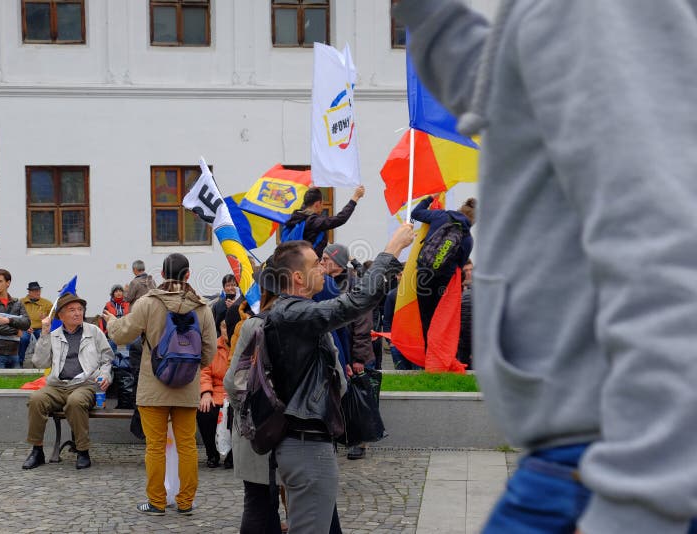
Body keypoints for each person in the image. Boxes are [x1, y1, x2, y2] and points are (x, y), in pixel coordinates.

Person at [395, 1, 697, 532]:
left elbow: (655, 235)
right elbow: (505, 95)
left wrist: (644, 496)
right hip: (585, 445)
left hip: (605, 457)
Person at [266, 224, 415, 532]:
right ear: (298, 278)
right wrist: (392, 249)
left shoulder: (295, 311)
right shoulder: (292, 315)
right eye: (315, 264)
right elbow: (353, 303)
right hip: (306, 445)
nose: (323, 268)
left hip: (308, 442)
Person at [105, 253, 217, 517]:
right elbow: (209, 352)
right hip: (186, 387)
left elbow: (122, 334)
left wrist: (111, 322)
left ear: (163, 275)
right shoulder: (202, 307)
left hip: (153, 385)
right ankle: (186, 502)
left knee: (155, 446)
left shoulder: (148, 302)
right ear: (188, 275)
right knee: (187, 445)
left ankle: (157, 502)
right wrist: (190, 367)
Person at [22, 293, 113, 471]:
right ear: (61, 316)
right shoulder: (53, 335)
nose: (77, 313)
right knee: (36, 399)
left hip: (85, 384)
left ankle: (82, 450)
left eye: (80, 309)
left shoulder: (93, 331)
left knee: (75, 401)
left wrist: (105, 376)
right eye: (72, 310)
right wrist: (44, 334)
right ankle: (37, 450)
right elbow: (40, 362)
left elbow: (107, 358)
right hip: (58, 385)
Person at [224, 262, 283, 534]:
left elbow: (234, 383)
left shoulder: (255, 325)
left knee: (259, 504)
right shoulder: (313, 320)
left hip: (260, 428)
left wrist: (250, 412)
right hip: (303, 432)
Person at [318, 243, 375, 461]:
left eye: (326, 259)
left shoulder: (355, 285)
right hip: (340, 351)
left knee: (358, 400)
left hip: (356, 351)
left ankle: (360, 441)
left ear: (339, 262)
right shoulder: (324, 283)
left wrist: (358, 358)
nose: (321, 262)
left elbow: (362, 324)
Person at [411, 196, 475, 352]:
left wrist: (430, 198)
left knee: (425, 317)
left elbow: (416, 213)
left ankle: (427, 353)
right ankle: (439, 353)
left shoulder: (441, 215)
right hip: (443, 282)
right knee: (441, 319)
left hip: (424, 275)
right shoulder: (467, 238)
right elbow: (460, 264)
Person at [282, 185, 365, 257]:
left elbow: (307, 204)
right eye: (322, 204)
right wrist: (355, 197)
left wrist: (311, 191)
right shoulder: (313, 222)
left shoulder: (297, 217)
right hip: (309, 264)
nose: (322, 207)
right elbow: (340, 219)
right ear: (317, 204)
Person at [197, 320, 232, 469]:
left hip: (235, 394)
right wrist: (206, 392)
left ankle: (232, 455)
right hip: (215, 391)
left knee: (236, 414)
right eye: (223, 326)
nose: (226, 330)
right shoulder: (213, 347)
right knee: (205, 411)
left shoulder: (243, 346)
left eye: (229, 326)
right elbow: (204, 371)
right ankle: (212, 453)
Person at [0, 269, 30, 369]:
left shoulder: (17, 303)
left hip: (14, 353)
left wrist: (9, 320)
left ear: (8, 283)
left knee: (17, 380)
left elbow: (27, 323)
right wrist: (16, 331)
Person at [19, 281, 52, 367]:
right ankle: (20, 361)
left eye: (39, 290)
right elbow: (17, 316)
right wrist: (24, 326)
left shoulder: (47, 303)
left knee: (44, 340)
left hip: (41, 328)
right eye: (35, 291)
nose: (38, 292)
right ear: (29, 292)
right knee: (23, 338)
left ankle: (41, 363)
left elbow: (53, 317)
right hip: (25, 328)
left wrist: (46, 318)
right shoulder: (21, 302)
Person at [99, 284, 130, 353]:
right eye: (116, 291)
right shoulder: (108, 305)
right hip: (112, 335)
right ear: (113, 294)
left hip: (126, 335)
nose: (118, 293)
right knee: (111, 355)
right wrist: (105, 334)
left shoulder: (128, 304)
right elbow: (103, 321)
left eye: (120, 291)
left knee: (126, 355)